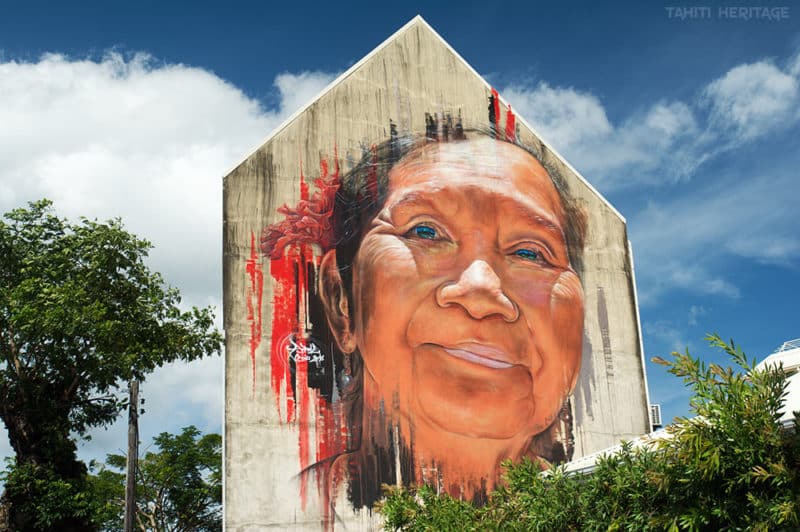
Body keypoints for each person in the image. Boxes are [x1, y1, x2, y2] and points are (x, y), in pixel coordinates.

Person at [262, 124, 587, 510]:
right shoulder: (293, 509)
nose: (482, 292)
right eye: (426, 231)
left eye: (531, 253)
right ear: (341, 300)